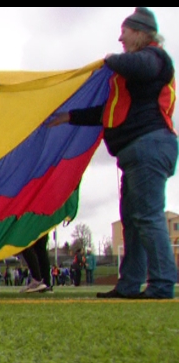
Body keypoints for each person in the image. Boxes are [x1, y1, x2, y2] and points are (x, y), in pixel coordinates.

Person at [48, 7, 177, 300]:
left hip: (150, 146)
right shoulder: (136, 69)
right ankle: (130, 284)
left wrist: (108, 60)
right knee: (132, 220)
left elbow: (137, 65)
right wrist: (69, 116)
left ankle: (162, 284)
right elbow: (108, 112)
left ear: (142, 33)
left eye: (125, 31)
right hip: (139, 151)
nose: (120, 37)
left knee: (146, 216)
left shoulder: (155, 58)